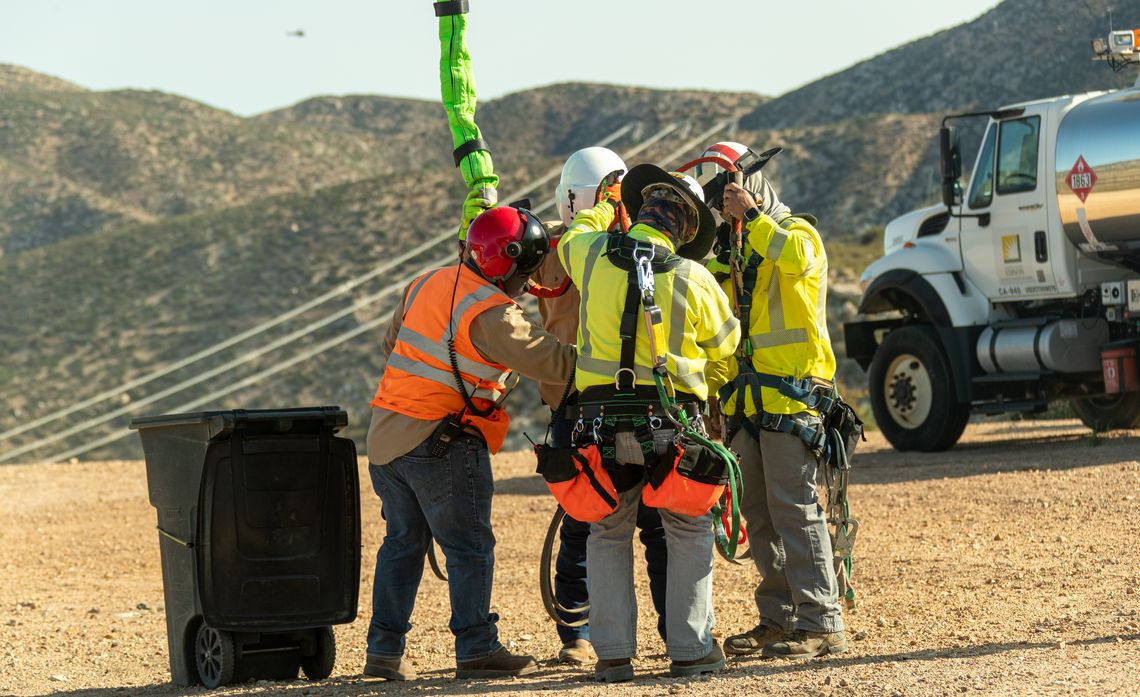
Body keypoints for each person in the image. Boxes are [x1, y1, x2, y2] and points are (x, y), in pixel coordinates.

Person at [363, 205, 576, 681]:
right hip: (441, 443)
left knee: (402, 544)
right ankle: (477, 648)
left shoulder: (426, 281)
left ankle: (383, 651)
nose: (528, 281)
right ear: (511, 266)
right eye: (527, 271)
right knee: (469, 547)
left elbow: (391, 345)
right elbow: (559, 365)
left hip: (385, 437)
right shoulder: (494, 315)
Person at [556, 164, 740, 682]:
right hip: (672, 424)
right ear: (684, 229)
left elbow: (572, 235)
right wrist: (700, 384)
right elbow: (727, 350)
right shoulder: (694, 277)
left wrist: (603, 204)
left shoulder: (591, 255)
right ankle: (691, 649)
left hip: (599, 425)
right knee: (687, 529)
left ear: (639, 211)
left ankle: (613, 655)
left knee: (607, 531)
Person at [699, 142, 848, 659]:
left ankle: (821, 620)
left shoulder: (795, 233)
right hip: (745, 404)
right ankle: (780, 618)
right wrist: (715, 398)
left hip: (791, 401)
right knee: (759, 514)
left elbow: (798, 259)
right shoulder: (731, 256)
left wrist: (754, 217)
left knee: (795, 509)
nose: (724, 207)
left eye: (728, 194)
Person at [533, 147, 669, 665]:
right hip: (609, 401)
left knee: (590, 519)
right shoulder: (581, 248)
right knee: (625, 520)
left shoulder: (562, 246)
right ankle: (599, 634)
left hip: (583, 402)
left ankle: (584, 635)